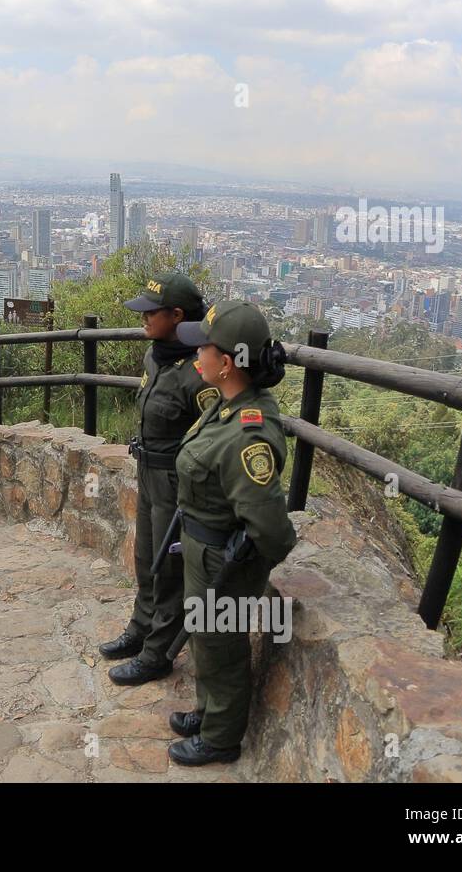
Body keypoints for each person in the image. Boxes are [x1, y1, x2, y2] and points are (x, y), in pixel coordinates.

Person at [166, 300, 297, 766]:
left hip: (223, 559)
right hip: (204, 548)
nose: (194, 355)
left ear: (226, 363)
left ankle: (221, 739)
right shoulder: (226, 406)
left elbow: (273, 529)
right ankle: (207, 710)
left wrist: (244, 565)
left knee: (222, 647)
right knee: (204, 637)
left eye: (203, 347)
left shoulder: (248, 434)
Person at [99, 272, 219, 686]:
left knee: (169, 568)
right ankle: (140, 628)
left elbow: (213, 435)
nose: (144, 319)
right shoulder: (156, 356)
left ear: (177, 315)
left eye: (152, 313)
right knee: (145, 559)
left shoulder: (200, 371)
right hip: (147, 471)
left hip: (176, 480)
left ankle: (157, 654)